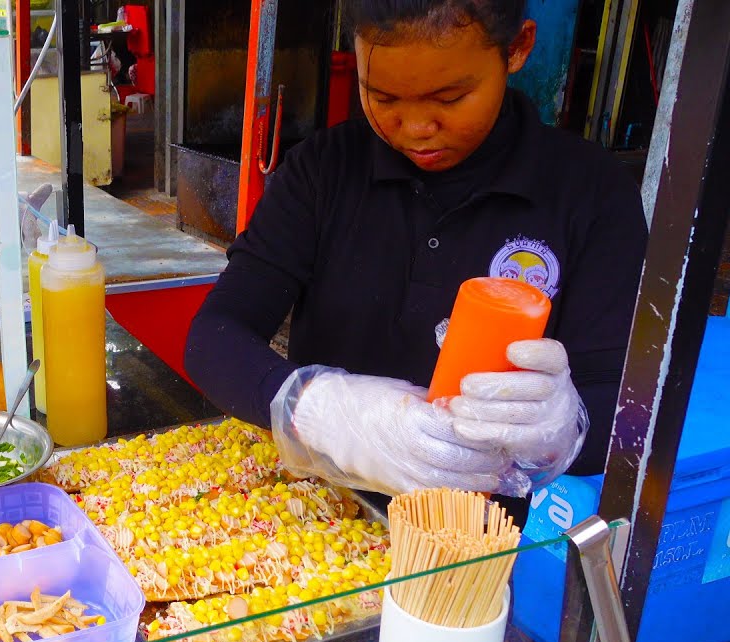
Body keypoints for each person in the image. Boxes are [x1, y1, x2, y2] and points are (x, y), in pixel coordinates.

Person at [184, 0, 647, 518]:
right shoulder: (324, 169)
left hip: (470, 547)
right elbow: (214, 337)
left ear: (516, 48)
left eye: (450, 98)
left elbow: (624, 418)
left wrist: (565, 427)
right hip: (322, 515)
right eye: (381, 97)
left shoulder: (592, 194)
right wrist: (321, 409)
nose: (416, 128)